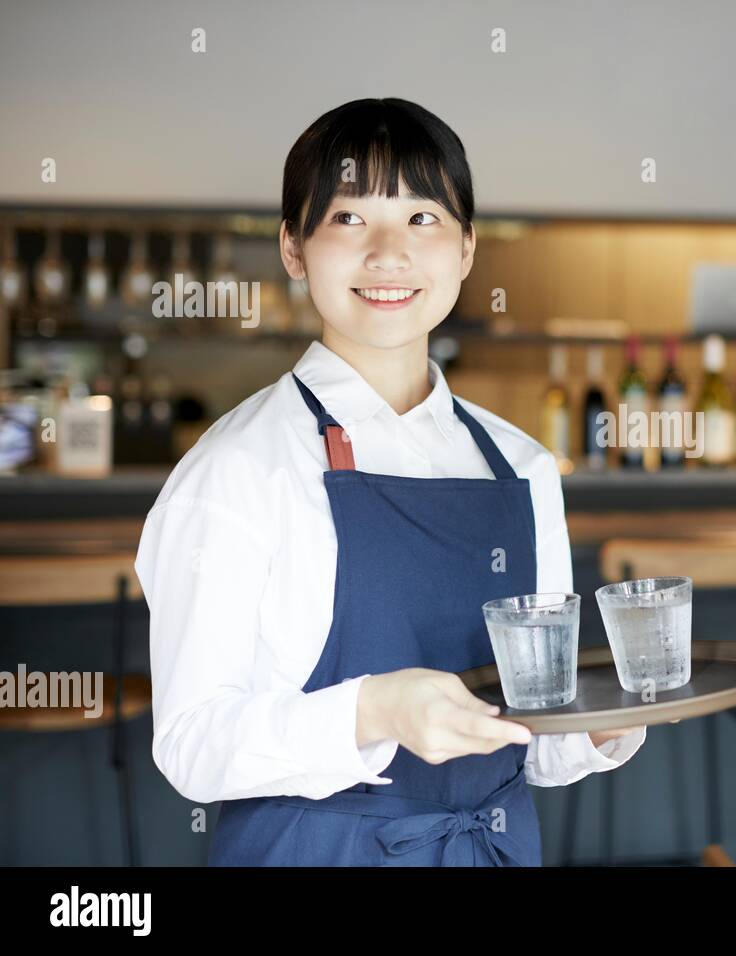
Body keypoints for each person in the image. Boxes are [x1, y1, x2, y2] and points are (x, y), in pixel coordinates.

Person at [134, 98, 646, 866]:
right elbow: (191, 748)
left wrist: (606, 727)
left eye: (422, 219)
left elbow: (529, 739)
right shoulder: (238, 469)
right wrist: (373, 711)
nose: (387, 254)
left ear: (467, 249)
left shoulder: (522, 466)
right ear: (293, 248)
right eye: (347, 219)